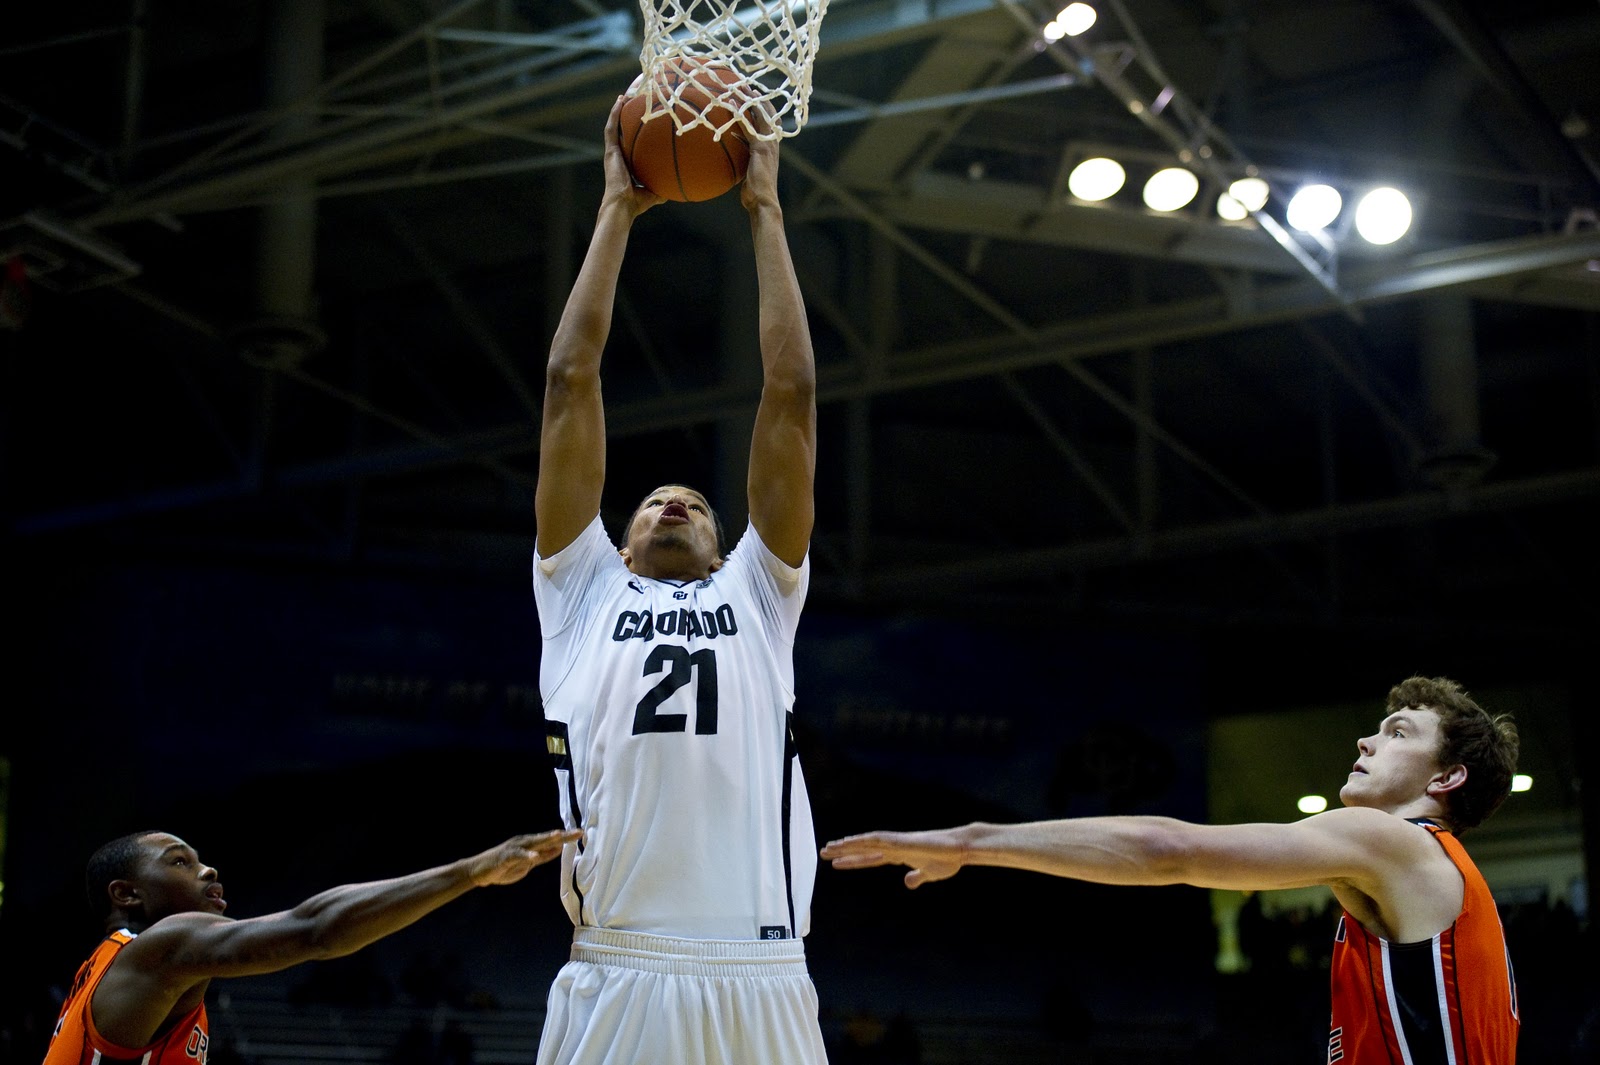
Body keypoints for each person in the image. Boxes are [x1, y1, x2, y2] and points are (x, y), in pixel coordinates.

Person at [530, 91, 823, 1065]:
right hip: (619, 963)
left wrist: (765, 210)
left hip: (765, 967)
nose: (673, 507)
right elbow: (570, 382)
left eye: (695, 504)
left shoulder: (759, 594)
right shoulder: (581, 595)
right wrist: (617, 208)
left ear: (728, 540)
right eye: (653, 501)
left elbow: (791, 397)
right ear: (611, 546)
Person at [822, 675, 1522, 1064]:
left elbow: (1169, 851)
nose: (1368, 737)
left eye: (1399, 732)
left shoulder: (1393, 843)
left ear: (1448, 776)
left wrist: (973, 841)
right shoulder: (1405, 878)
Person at [41, 828, 578, 1065]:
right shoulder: (160, 948)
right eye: (179, 861)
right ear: (126, 893)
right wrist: (473, 871)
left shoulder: (109, 969)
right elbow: (315, 930)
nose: (208, 869)